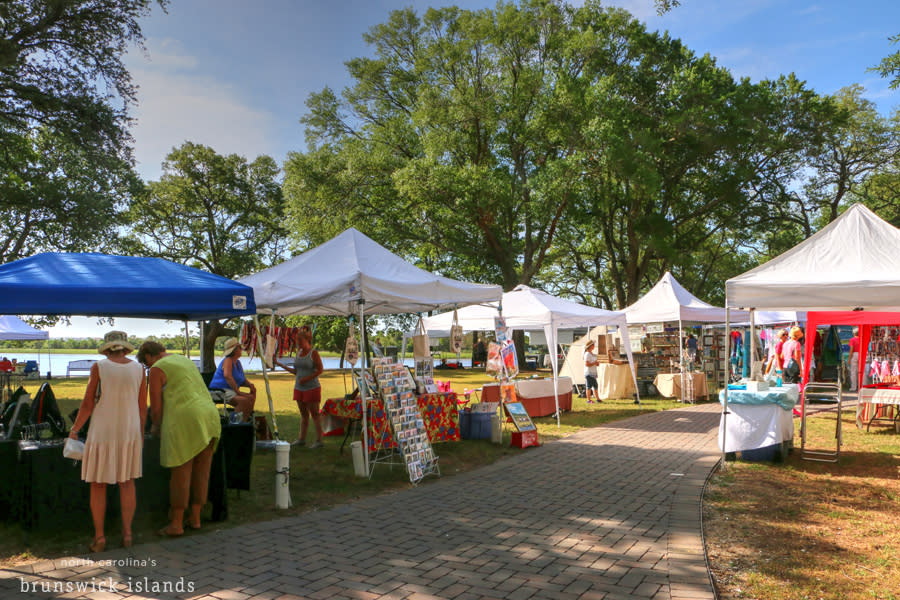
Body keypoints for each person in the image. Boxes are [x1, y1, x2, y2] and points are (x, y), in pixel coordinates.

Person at [68, 331, 145, 552]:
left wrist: (75, 430)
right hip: (129, 429)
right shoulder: (139, 369)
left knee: (98, 484)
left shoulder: (99, 367)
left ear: (107, 347)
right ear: (125, 347)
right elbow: (142, 406)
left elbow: (87, 403)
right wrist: (139, 433)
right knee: (127, 482)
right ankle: (128, 534)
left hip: (103, 428)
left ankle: (100, 537)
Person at [137, 341, 221, 536]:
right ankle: (196, 517)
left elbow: (156, 409)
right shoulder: (185, 360)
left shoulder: (157, 368)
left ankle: (176, 523)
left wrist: (155, 428)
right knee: (202, 470)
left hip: (185, 419)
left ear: (149, 357)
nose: (147, 368)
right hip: (209, 416)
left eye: (146, 364)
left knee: (181, 472)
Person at [281, 325, 325, 448]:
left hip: (312, 388)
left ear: (306, 340)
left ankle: (319, 441)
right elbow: (296, 372)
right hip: (299, 388)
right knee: (304, 414)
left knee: (315, 414)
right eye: (297, 340)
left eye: (300, 340)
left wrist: (307, 378)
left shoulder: (313, 353)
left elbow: (320, 370)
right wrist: (280, 365)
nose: (297, 342)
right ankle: (301, 439)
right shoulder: (298, 353)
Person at [208, 338, 256, 422]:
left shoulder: (238, 363)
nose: (241, 350)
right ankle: (235, 425)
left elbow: (242, 380)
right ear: (234, 350)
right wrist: (238, 392)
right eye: (239, 348)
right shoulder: (228, 361)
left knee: (251, 398)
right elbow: (227, 376)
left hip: (229, 390)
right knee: (243, 401)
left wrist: (250, 385)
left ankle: (244, 422)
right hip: (219, 390)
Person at [847, 327, 860, 392]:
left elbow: (851, 349)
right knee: (861, 371)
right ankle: (862, 385)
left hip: (854, 354)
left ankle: (853, 387)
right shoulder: (861, 339)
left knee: (853, 372)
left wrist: (849, 359)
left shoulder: (852, 339)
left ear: (853, 333)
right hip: (861, 354)